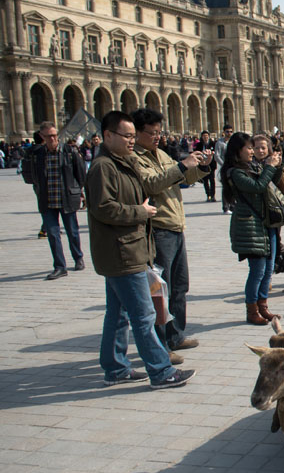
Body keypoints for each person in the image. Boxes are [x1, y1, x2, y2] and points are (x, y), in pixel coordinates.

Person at [86, 110, 197, 389]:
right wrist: (141, 211)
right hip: (123, 252)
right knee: (144, 315)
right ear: (108, 135)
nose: (132, 141)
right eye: (127, 136)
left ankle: (115, 368)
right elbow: (103, 208)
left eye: (134, 136)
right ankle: (161, 372)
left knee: (118, 314)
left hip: (129, 248)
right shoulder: (103, 167)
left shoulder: (121, 162)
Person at [132, 109, 212, 358]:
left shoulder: (161, 153)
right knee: (159, 290)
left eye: (159, 132)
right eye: (152, 132)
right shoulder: (136, 158)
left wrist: (201, 167)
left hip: (176, 226)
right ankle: (161, 345)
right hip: (158, 229)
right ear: (136, 133)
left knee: (179, 286)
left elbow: (182, 179)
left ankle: (176, 335)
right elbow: (151, 183)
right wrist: (181, 165)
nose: (157, 137)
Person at [221, 132, 283, 325]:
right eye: (248, 148)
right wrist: (269, 168)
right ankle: (252, 310)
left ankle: (263, 307)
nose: (252, 151)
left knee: (268, 269)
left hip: (264, 223)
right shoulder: (235, 172)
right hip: (249, 225)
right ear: (237, 151)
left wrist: (275, 165)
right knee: (257, 270)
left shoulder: (252, 166)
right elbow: (258, 186)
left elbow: (271, 182)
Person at [30, 122, 86, 280]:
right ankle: (60, 266)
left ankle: (78, 257)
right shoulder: (39, 154)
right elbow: (34, 176)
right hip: (47, 200)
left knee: (72, 232)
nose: (53, 138)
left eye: (55, 135)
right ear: (42, 137)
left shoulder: (69, 151)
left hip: (66, 198)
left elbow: (80, 174)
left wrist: (79, 191)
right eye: (49, 136)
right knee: (53, 234)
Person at [252, 133, 284, 260]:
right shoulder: (249, 166)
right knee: (269, 246)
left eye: (263, 148)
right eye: (256, 148)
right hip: (256, 213)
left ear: (269, 149)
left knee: (274, 245)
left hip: (273, 211)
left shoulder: (276, 167)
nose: (260, 151)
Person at [214, 125, 233, 213]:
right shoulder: (219, 143)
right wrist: (224, 164)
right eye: (227, 131)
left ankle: (232, 206)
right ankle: (225, 207)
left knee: (233, 186)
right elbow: (217, 156)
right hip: (225, 167)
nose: (229, 133)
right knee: (225, 186)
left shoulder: (233, 142)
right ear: (224, 132)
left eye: (230, 131)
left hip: (233, 166)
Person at [196, 131, 217, 201]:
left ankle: (213, 195)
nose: (205, 137)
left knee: (212, 180)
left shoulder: (213, 144)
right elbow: (196, 153)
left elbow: (215, 153)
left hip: (211, 165)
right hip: (203, 164)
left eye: (207, 136)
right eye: (204, 136)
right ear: (202, 137)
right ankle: (208, 195)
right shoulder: (199, 145)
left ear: (209, 136)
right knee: (205, 181)